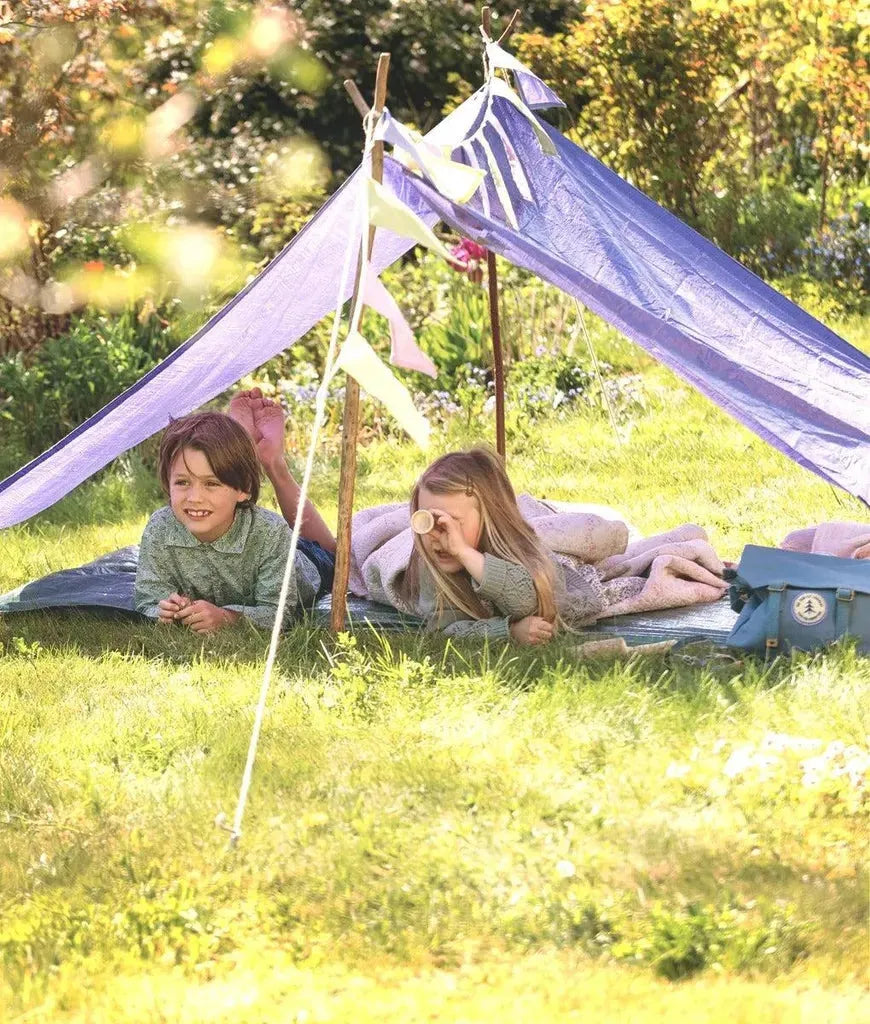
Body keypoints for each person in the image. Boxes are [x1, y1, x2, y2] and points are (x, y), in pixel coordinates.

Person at [134, 411, 321, 633]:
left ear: (243, 490)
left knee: (335, 555)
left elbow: (278, 613)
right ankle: (240, 440)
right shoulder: (160, 528)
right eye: (182, 482)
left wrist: (227, 618)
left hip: (307, 561)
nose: (194, 498)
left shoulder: (270, 533)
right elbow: (148, 596)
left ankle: (262, 451)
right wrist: (167, 610)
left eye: (211, 484)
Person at [399, 448, 559, 644]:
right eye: (428, 522)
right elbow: (443, 631)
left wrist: (465, 553)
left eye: (451, 522)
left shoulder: (516, 549)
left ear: (488, 518)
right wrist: (509, 631)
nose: (437, 536)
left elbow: (526, 602)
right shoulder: (430, 566)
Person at [227, 387, 337, 590]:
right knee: (336, 558)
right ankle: (273, 464)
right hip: (292, 558)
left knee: (337, 560)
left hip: (292, 563)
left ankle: (254, 460)